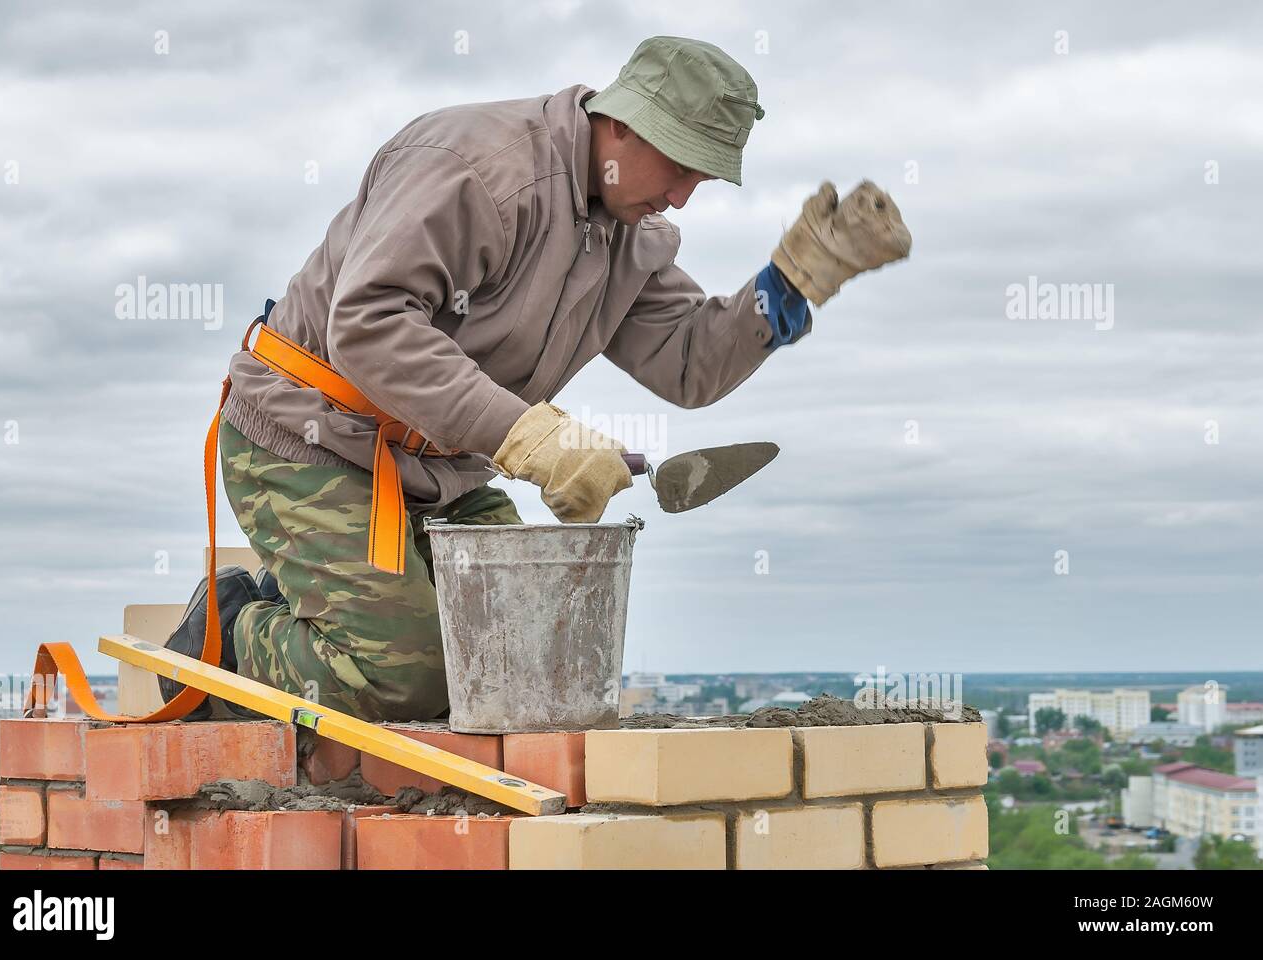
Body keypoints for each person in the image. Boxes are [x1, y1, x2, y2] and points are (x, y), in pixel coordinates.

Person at [162, 35, 912, 722]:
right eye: (680, 164)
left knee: (515, 658)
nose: (683, 194)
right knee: (407, 681)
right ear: (623, 122)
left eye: (703, 178)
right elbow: (368, 323)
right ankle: (226, 633)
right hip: (311, 440)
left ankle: (323, 606)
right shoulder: (476, 171)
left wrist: (794, 285)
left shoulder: (625, 235)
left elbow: (688, 361)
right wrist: (533, 438)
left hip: (441, 468)